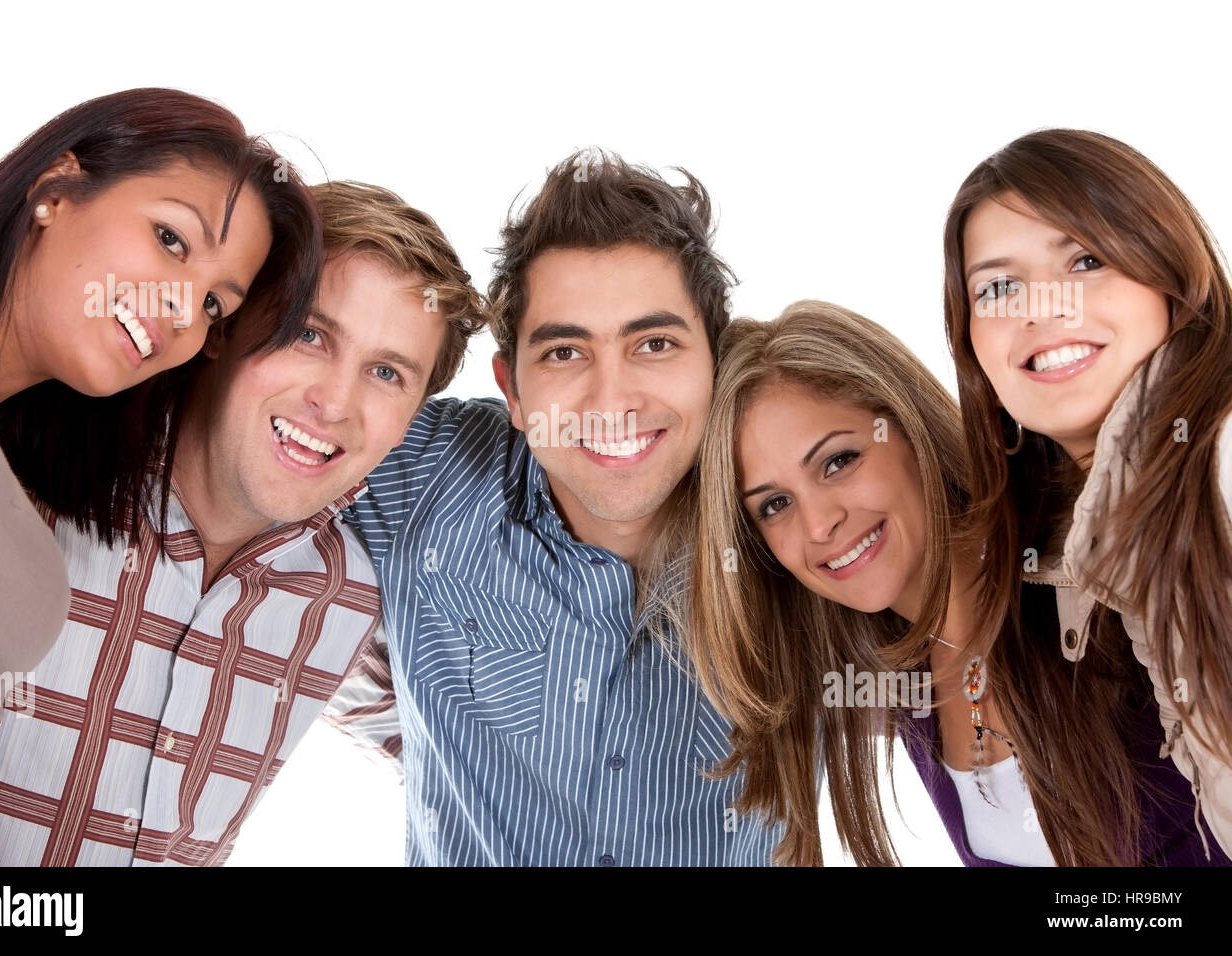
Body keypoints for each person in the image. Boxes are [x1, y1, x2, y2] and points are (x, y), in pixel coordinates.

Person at [0, 181, 484, 865]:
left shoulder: (351, 600)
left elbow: (467, 762)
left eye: (387, 373)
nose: (334, 403)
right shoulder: (27, 470)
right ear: (226, 327)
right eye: (309, 334)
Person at [336, 150, 781, 865]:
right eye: (566, 353)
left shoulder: (796, 526)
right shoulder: (417, 472)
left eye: (655, 343)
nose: (612, 401)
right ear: (512, 390)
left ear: (718, 362)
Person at [687, 300, 1228, 866]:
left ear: (909, 426)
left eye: (838, 461)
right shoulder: (900, 684)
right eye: (774, 504)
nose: (819, 523)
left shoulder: (1098, 575)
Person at [0, 87, 320, 866]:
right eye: (171, 240)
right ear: (56, 188)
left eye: (215, 303)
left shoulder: (30, 538)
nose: (182, 309)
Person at [945, 129, 1232, 857]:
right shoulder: (1068, 542)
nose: (1041, 308)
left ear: (1169, 273)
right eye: (998, 287)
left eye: (1085, 259)